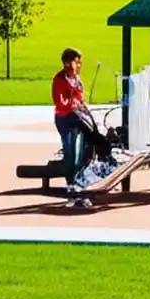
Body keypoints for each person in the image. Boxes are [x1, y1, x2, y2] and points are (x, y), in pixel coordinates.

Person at [52, 48, 92, 208]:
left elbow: (80, 97)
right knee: (70, 154)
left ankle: (79, 186)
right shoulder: (59, 79)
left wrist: (82, 105)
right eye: (77, 61)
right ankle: (71, 189)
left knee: (81, 153)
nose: (79, 64)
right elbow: (59, 102)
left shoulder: (76, 78)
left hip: (78, 118)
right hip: (65, 119)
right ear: (68, 62)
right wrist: (72, 103)